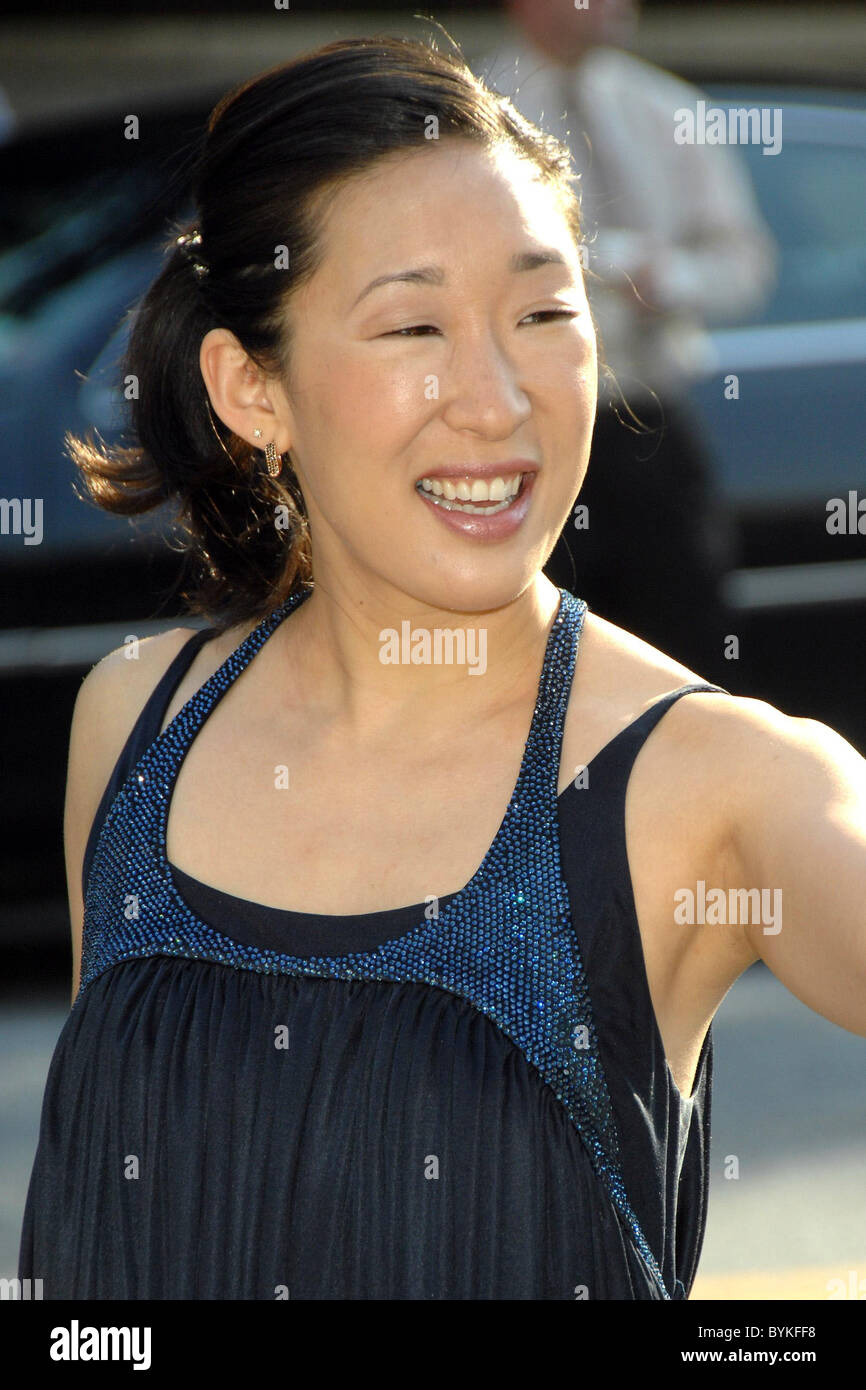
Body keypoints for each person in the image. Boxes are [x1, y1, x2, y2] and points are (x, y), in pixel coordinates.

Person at [18, 34, 865, 1301]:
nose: (495, 397)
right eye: (413, 323)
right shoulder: (135, 723)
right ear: (253, 390)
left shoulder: (718, 779)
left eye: (541, 312)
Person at [474, 0, 777, 678]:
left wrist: (669, 277)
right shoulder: (470, 108)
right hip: (523, 430)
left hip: (650, 424)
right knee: (541, 660)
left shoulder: (666, 107)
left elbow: (745, 264)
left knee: (682, 649)